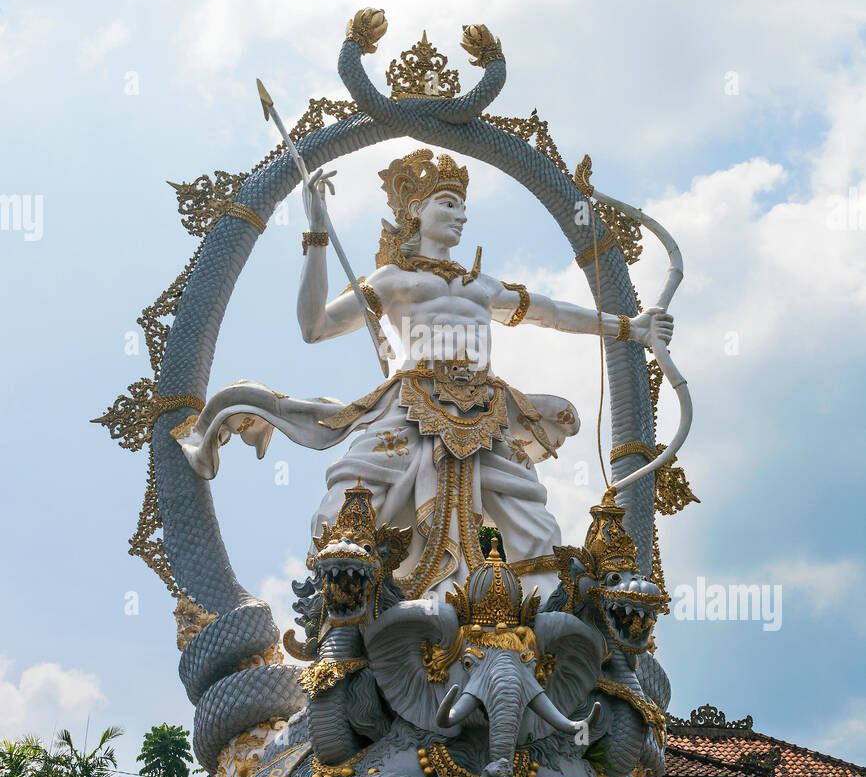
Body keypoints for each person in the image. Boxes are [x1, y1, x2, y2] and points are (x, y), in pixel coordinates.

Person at [176, 149, 673, 604]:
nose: (460, 215)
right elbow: (315, 326)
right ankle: (343, 604)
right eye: (448, 202)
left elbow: (552, 313)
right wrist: (317, 233)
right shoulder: (394, 280)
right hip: (412, 405)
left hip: (486, 413)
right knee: (348, 503)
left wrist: (629, 327)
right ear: (415, 209)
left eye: (463, 208)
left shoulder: (484, 285)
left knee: (533, 522)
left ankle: (537, 617)